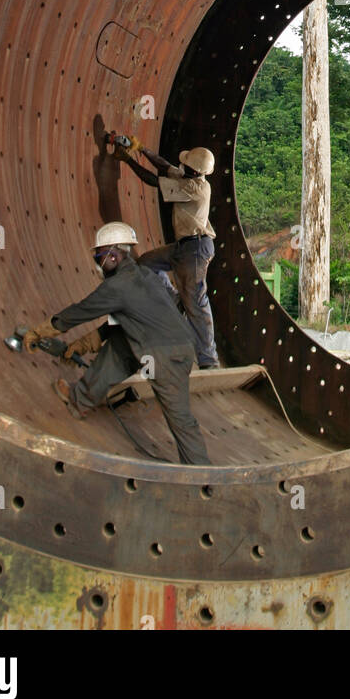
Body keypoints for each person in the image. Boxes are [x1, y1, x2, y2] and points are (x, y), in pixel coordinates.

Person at [23, 222, 210, 465]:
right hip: (166, 344)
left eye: (99, 256)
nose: (97, 261)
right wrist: (86, 343)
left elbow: (79, 312)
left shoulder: (117, 286)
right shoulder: (145, 276)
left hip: (166, 355)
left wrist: (38, 332)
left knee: (181, 420)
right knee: (119, 350)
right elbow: (127, 321)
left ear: (113, 254)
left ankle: (202, 477)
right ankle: (80, 400)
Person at [117, 140, 220, 370]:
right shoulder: (189, 177)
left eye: (186, 165)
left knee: (196, 304)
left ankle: (209, 360)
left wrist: (127, 160)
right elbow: (166, 167)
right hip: (184, 247)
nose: (181, 167)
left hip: (195, 250)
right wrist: (141, 148)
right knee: (145, 265)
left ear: (194, 170)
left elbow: (154, 180)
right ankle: (174, 299)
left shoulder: (195, 189)